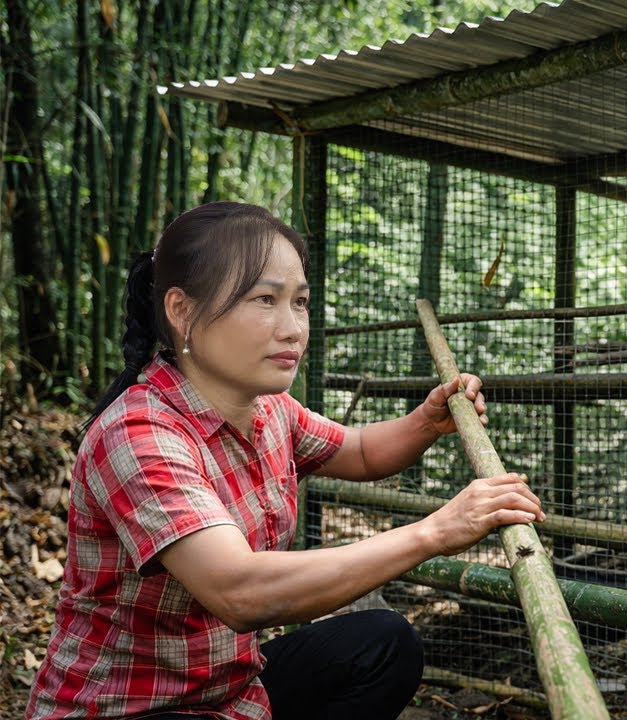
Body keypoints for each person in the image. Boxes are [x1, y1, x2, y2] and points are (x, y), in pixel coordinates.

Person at [25, 202, 544, 720]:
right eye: (264, 299)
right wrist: (434, 532)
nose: (293, 328)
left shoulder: (270, 410)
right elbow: (240, 591)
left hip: (227, 693)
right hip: (126, 708)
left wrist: (426, 422)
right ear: (182, 311)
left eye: (300, 302)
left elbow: (361, 451)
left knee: (384, 644)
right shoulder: (138, 434)